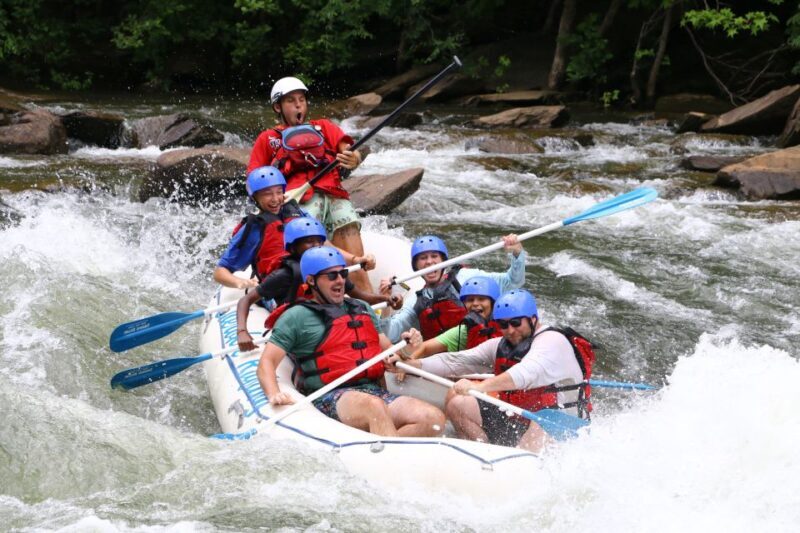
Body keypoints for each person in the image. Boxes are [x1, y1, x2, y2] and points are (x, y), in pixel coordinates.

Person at [255, 246, 444, 437]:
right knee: (374, 408)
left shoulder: (361, 308)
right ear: (311, 280)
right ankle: (390, 455)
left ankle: (384, 450)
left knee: (433, 418)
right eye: (331, 276)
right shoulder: (296, 316)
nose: (340, 280)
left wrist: (408, 347)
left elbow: (389, 353)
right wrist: (274, 393)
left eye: (343, 273)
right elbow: (266, 363)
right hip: (329, 395)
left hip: (373, 391)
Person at [387, 289, 595, 452]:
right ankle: (485, 454)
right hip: (519, 418)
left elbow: (525, 375)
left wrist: (480, 386)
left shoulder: (553, 341)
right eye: (504, 325)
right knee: (459, 404)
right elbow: (456, 361)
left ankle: (514, 464)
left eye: (516, 323)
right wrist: (414, 364)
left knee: (538, 426)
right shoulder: (501, 344)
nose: (510, 330)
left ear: (533, 319)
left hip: (561, 422)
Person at [248, 76, 372, 293]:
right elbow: (254, 180)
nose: (298, 105)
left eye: (302, 99)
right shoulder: (268, 139)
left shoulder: (323, 127)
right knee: (312, 241)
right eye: (291, 101)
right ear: (278, 107)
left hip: (334, 195)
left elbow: (349, 149)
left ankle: (369, 299)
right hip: (299, 202)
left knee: (348, 231)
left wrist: (355, 158)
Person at [236, 217, 401, 352]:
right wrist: (242, 331)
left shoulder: (333, 270)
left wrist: (387, 299)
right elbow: (246, 300)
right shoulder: (284, 274)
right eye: (308, 242)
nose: (315, 246)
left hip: (323, 314)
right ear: (293, 247)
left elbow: (361, 296)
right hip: (295, 317)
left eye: (318, 242)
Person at [214, 166, 372, 289]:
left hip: (313, 281)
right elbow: (221, 271)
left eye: (278, 192)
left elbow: (323, 244)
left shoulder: (297, 213)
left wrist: (354, 259)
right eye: (267, 194)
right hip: (278, 288)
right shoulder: (253, 229)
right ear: (255, 198)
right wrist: (239, 282)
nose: (275, 199)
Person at [380, 234, 526, 343]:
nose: (429, 262)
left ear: (443, 261)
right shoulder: (415, 301)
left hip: (482, 346)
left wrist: (517, 253)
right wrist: (386, 302)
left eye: (434, 256)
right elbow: (390, 334)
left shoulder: (468, 277)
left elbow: (513, 282)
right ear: (416, 266)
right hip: (445, 357)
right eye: (423, 258)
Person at [402, 275, 503, 362]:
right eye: (470, 300)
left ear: (493, 302)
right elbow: (425, 348)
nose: (475, 303)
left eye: (481, 299)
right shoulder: (463, 331)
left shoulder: (510, 325)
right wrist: (409, 362)